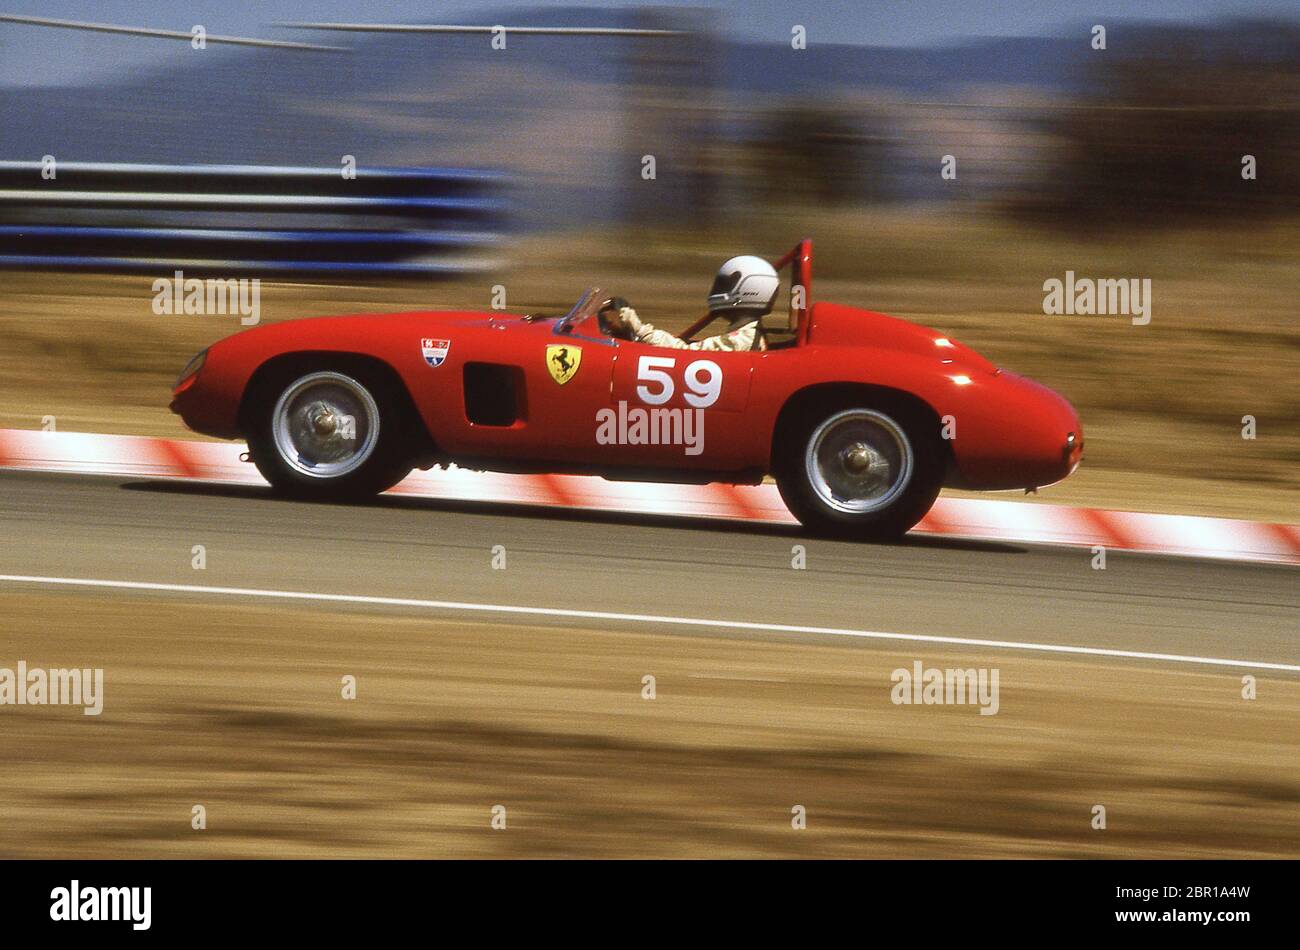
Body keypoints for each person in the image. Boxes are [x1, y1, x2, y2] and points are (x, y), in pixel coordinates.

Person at [602, 255, 780, 351]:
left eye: (725, 284)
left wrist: (640, 329)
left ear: (749, 290)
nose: (719, 289)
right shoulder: (746, 335)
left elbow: (684, 353)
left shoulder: (742, 341)